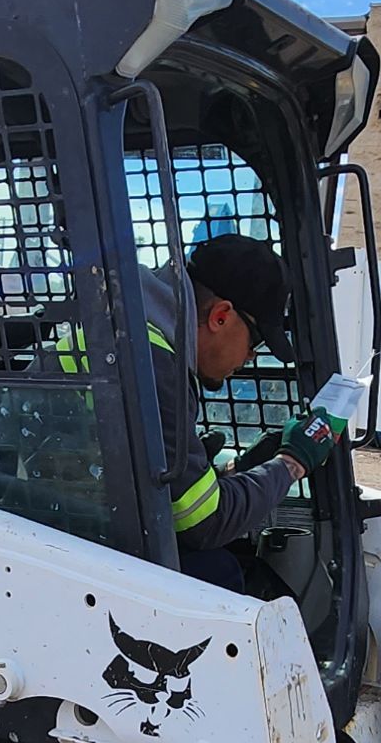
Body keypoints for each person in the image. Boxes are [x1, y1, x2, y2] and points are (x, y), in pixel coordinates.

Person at [138, 233, 340, 590]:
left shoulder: (129, 335)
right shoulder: (155, 367)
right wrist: (291, 463)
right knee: (221, 573)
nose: (250, 357)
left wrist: (238, 470)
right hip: (88, 548)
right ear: (220, 317)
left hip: (72, 527)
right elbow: (205, 524)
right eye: (255, 342)